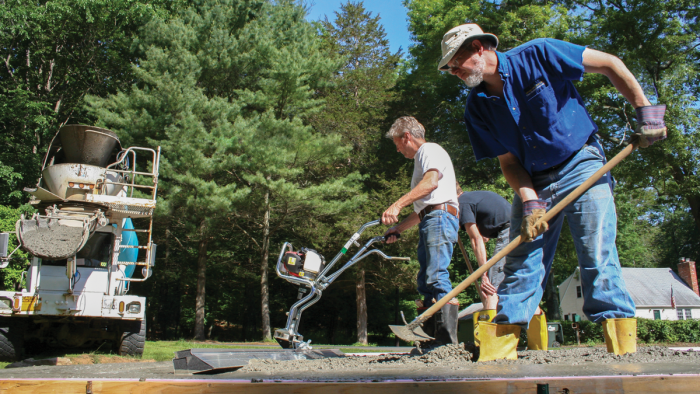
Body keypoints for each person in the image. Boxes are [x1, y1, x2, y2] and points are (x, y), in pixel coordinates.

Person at [438, 23, 667, 360]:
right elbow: (509, 162)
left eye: (455, 62)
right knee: (522, 263)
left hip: (581, 163)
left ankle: (623, 354)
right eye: (449, 68)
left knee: (596, 252)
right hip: (533, 181)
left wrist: (644, 110)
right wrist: (530, 201)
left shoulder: (540, 53)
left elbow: (610, 63)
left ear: (477, 47)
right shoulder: (478, 108)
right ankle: (500, 354)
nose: (453, 71)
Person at [382, 116, 460, 347]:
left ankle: (446, 342)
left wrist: (396, 205)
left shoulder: (428, 150)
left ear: (407, 136)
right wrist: (399, 228)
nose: (397, 150)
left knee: (436, 276)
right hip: (432, 218)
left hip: (439, 218)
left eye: (397, 144)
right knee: (425, 282)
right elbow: (424, 209)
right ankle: (432, 337)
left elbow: (431, 183)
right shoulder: (423, 158)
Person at [457, 185, 548, 351]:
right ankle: (539, 347)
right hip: (521, 228)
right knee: (524, 290)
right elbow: (487, 228)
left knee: (490, 290)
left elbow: (475, 239)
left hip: (510, 232)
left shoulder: (461, 203)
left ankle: (491, 347)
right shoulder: (473, 198)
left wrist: (483, 274)